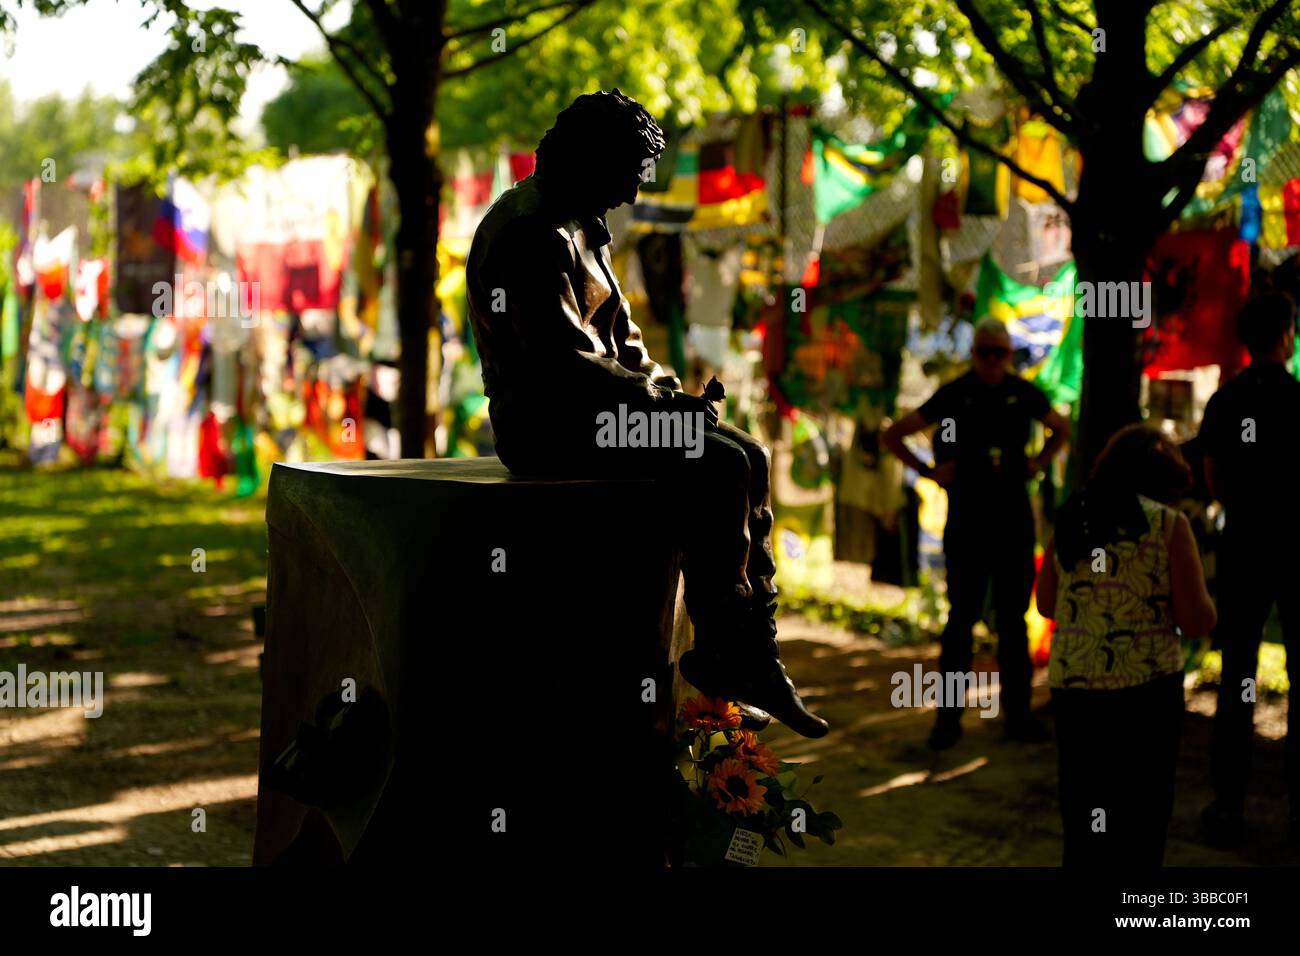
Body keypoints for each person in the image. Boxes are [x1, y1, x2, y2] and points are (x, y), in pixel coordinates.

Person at [465, 90, 827, 738]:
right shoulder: (531, 231)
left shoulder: (581, 221)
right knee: (715, 464)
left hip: (598, 411)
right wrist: (663, 405)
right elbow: (563, 360)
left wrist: (674, 394)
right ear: (592, 159)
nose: (632, 197)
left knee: (749, 452)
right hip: (550, 426)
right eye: (627, 177)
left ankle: (752, 647)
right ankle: (725, 652)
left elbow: (627, 347)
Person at [884, 317, 1070, 748]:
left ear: (1008, 355)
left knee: (1013, 625)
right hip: (967, 524)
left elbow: (1061, 428)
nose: (990, 360)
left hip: (1013, 524)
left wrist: (1037, 464)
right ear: (974, 353)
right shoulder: (955, 392)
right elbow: (895, 434)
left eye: (998, 353)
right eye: (983, 352)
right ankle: (948, 723)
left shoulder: (1022, 393)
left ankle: (1018, 718)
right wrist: (929, 472)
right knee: (959, 624)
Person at [1036, 425, 1216, 866]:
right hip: (1145, 691)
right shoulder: (1168, 525)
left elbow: (1045, 603)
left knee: (1085, 811)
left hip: (1075, 688)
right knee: (1141, 815)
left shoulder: (1071, 516)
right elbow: (1196, 621)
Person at [1198, 291, 1300, 844]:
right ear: (1285, 335)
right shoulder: (1297, 398)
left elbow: (1213, 478)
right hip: (1295, 548)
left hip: (1244, 547)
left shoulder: (1227, 400)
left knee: (1238, 675)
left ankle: (1228, 806)